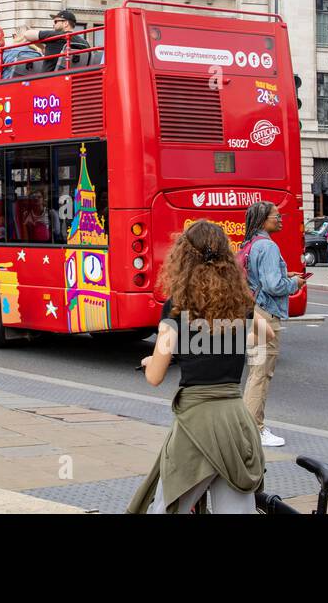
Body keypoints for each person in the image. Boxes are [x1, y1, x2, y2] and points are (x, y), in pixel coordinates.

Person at [128, 220, 266, 514]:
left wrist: (153, 359)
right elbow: (265, 332)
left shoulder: (178, 306)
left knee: (167, 507)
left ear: (184, 258)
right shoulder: (241, 303)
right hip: (236, 422)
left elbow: (155, 376)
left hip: (197, 424)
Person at [239, 200, 307, 448]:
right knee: (261, 373)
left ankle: (249, 426)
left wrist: (284, 275)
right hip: (267, 314)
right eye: (275, 216)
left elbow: (257, 278)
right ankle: (253, 430)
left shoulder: (251, 243)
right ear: (262, 220)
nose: (280, 219)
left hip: (256, 311)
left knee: (257, 371)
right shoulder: (267, 246)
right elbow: (274, 286)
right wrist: (294, 284)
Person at [23, 10, 91, 72]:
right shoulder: (84, 42)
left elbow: (27, 34)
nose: (53, 25)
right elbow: (47, 50)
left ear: (65, 23)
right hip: (75, 77)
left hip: (49, 78)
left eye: (56, 22)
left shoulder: (57, 35)